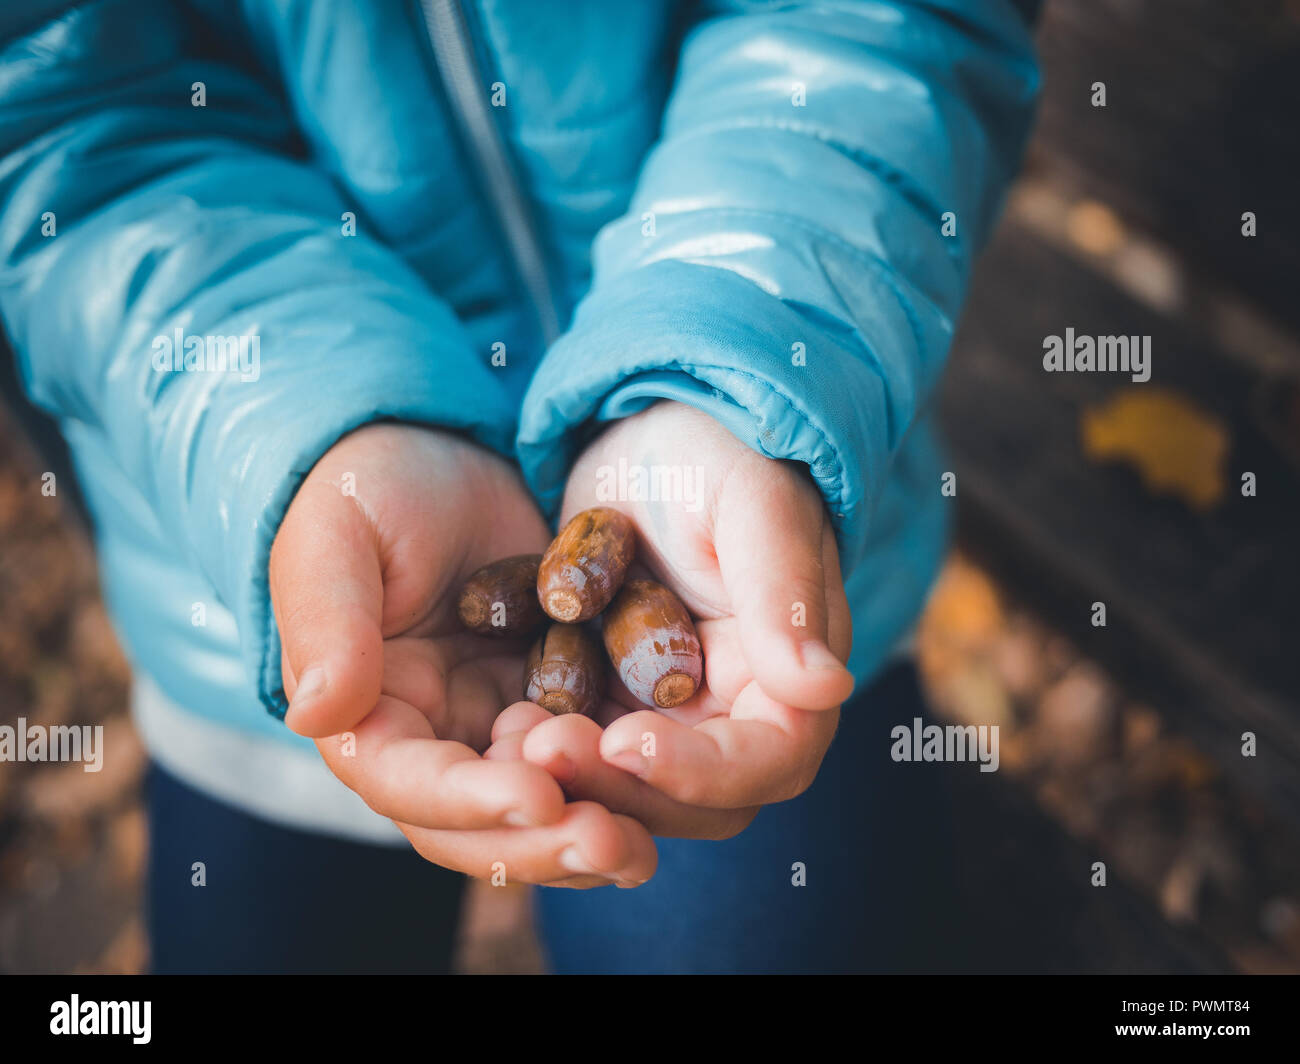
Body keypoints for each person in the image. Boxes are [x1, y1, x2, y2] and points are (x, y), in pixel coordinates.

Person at [0, 0, 1040, 973]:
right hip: (242, 615)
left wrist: (729, 367)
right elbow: (65, 133)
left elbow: (874, 26)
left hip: (753, 564)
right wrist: (306, 431)